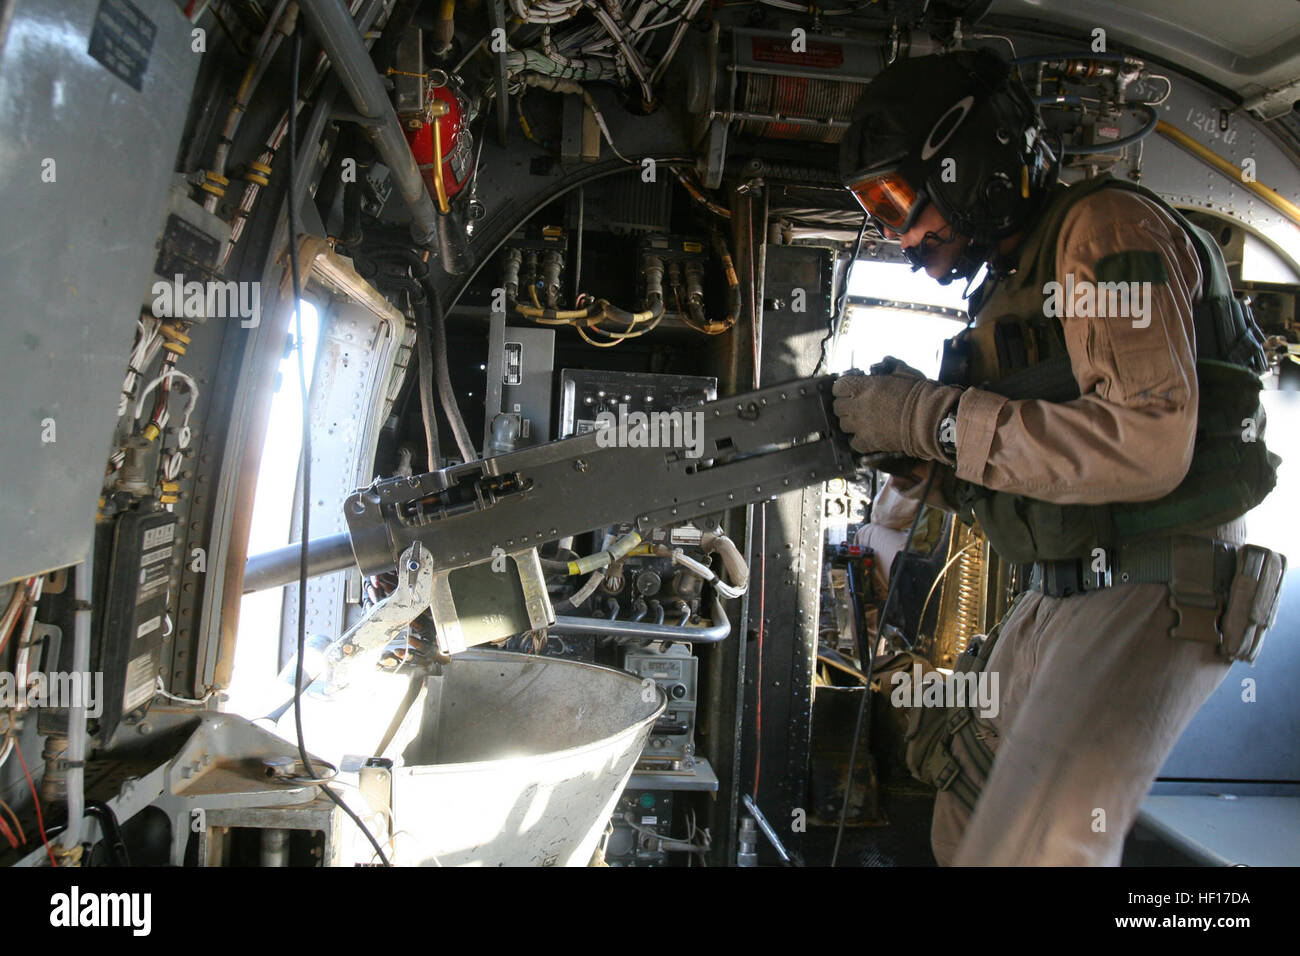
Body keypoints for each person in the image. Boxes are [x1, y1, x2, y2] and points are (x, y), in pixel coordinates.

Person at [832, 49, 1284, 865]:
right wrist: (929, 467)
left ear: (966, 165)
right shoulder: (1020, 273)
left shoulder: (1106, 230)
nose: (899, 236)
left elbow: (1146, 446)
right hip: (1073, 579)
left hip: (1155, 580)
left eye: (899, 200)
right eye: (877, 210)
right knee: (966, 805)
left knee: (1043, 847)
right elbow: (1047, 447)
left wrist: (927, 419)